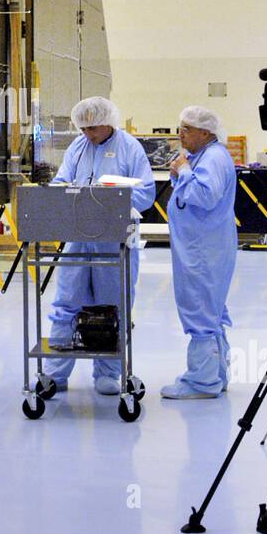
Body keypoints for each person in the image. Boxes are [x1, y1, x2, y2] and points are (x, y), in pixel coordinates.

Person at [44, 97, 155, 395]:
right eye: (83, 128)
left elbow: (146, 193)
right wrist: (58, 193)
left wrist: (116, 200)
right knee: (67, 301)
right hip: (79, 237)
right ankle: (55, 374)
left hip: (115, 238)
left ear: (108, 121)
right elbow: (62, 180)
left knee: (113, 305)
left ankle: (108, 371)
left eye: (92, 128)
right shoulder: (78, 147)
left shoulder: (129, 148)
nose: (88, 134)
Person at [160, 106, 237, 400]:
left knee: (200, 309)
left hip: (203, 249)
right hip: (202, 245)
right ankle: (216, 374)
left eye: (187, 129)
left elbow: (205, 196)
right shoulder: (205, 155)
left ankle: (202, 382)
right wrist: (182, 173)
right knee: (209, 309)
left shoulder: (214, 158)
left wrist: (185, 171)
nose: (181, 134)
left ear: (206, 132)